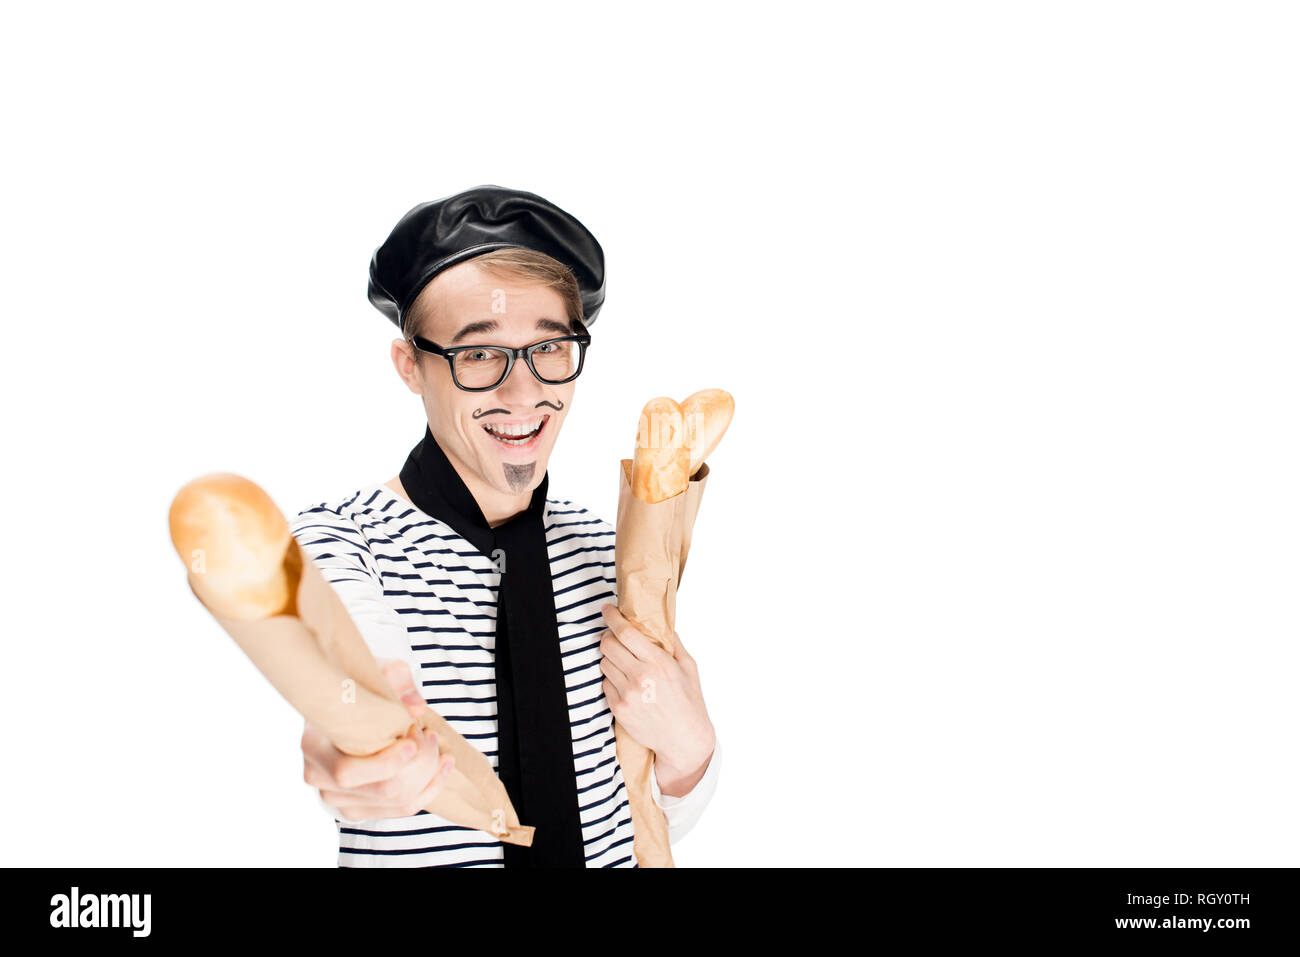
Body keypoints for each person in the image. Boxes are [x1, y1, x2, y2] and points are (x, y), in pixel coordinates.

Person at [292, 186, 720, 867]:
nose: (524, 394)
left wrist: (693, 750)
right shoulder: (339, 541)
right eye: (480, 354)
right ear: (411, 365)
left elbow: (643, 804)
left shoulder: (613, 552)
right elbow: (354, 660)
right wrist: (365, 735)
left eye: (548, 347)